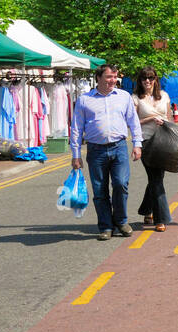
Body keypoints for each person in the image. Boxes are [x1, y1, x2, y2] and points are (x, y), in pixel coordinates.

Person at [70, 64, 143, 240]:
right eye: (109, 77)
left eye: (115, 77)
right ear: (99, 78)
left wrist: (137, 143)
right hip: (95, 150)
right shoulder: (84, 99)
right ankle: (106, 227)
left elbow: (133, 121)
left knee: (120, 184)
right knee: (99, 190)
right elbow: (77, 128)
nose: (113, 80)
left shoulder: (124, 96)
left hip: (119, 147)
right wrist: (75, 154)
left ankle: (121, 221)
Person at [133, 66, 172, 233]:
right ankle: (160, 218)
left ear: (155, 80)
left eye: (150, 78)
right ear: (140, 81)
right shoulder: (135, 98)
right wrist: (150, 118)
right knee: (156, 180)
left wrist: (165, 123)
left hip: (163, 142)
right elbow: (132, 122)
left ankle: (146, 210)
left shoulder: (164, 96)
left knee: (156, 179)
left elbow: (169, 118)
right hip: (147, 142)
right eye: (144, 79)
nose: (147, 81)